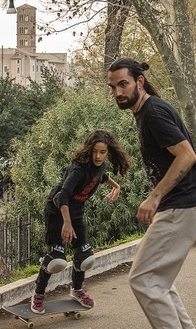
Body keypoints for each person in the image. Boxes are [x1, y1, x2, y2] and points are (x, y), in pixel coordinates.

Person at [106, 58, 196, 329]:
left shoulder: (153, 112)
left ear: (139, 81)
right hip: (181, 205)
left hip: (180, 205)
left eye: (123, 84)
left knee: (143, 278)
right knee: (159, 279)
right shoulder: (147, 112)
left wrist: (154, 197)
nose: (118, 92)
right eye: (113, 87)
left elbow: (187, 155)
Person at [30, 129, 131, 313]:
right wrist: (66, 223)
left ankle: (77, 290)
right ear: (89, 150)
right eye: (94, 151)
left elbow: (101, 176)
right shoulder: (78, 170)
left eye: (102, 152)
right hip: (56, 211)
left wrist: (116, 186)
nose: (98, 156)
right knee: (56, 261)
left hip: (75, 212)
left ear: (108, 152)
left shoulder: (99, 166)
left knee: (85, 257)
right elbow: (62, 196)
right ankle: (38, 294)